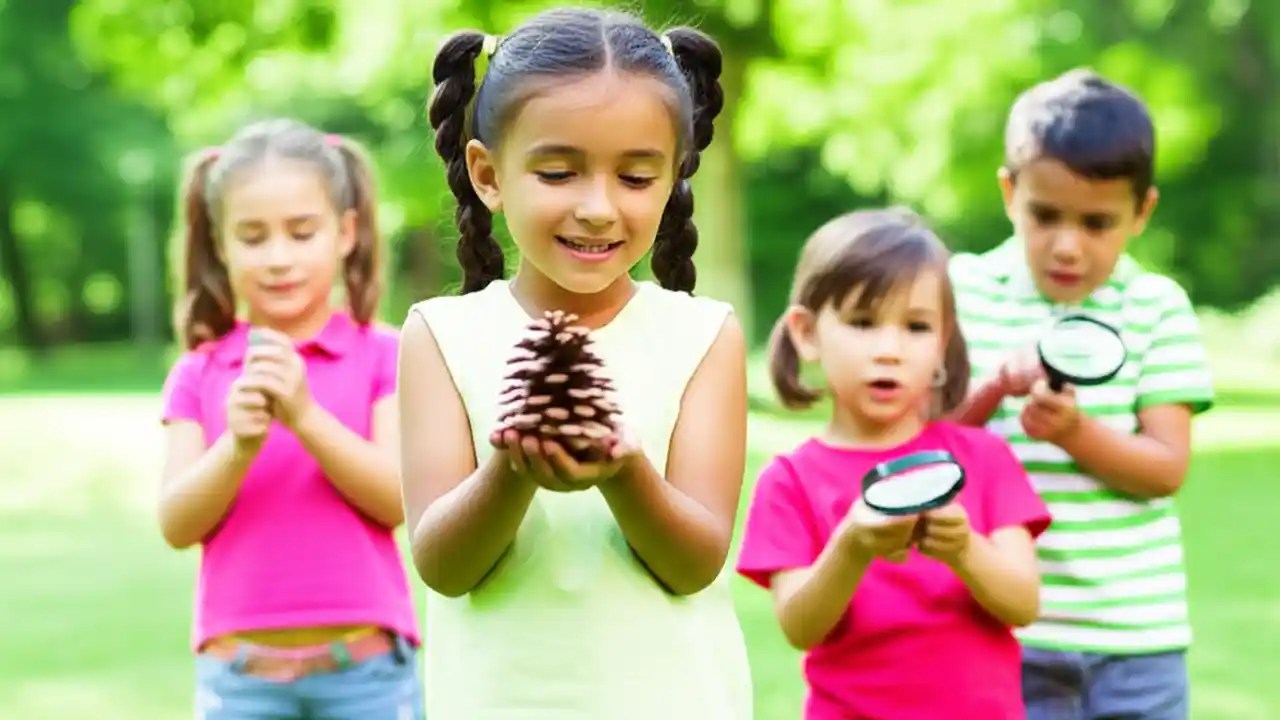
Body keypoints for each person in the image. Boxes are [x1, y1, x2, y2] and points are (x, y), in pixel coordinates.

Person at [399, 7, 752, 719]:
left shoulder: (705, 334)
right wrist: (510, 470)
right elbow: (442, 566)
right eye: (559, 172)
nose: (598, 207)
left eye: (636, 177)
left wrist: (625, 473)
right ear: (488, 174)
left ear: (674, 176)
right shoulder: (439, 334)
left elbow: (696, 563)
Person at [949, 69, 1216, 720]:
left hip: (1133, 645)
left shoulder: (1157, 307)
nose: (1068, 245)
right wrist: (989, 391)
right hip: (1001, 631)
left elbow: (1164, 467)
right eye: (1045, 215)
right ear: (1010, 193)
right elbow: (930, 444)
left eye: (1098, 223)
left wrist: (1074, 431)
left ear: (1141, 211)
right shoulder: (959, 289)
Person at [736, 208, 1052, 720]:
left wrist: (965, 549)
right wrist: (850, 547)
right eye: (863, 323)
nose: (890, 350)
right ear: (807, 333)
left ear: (944, 340)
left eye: (916, 327)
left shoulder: (984, 457)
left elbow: (1023, 602)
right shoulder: (789, 481)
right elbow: (799, 627)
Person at [158, 118, 422, 720]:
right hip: (240, 679)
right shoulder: (200, 373)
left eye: (302, 233)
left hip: (368, 673)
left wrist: (304, 416)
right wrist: (238, 446)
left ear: (346, 232)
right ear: (221, 246)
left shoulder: (384, 356)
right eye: (253, 237)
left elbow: (399, 501)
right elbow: (176, 522)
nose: (278, 258)